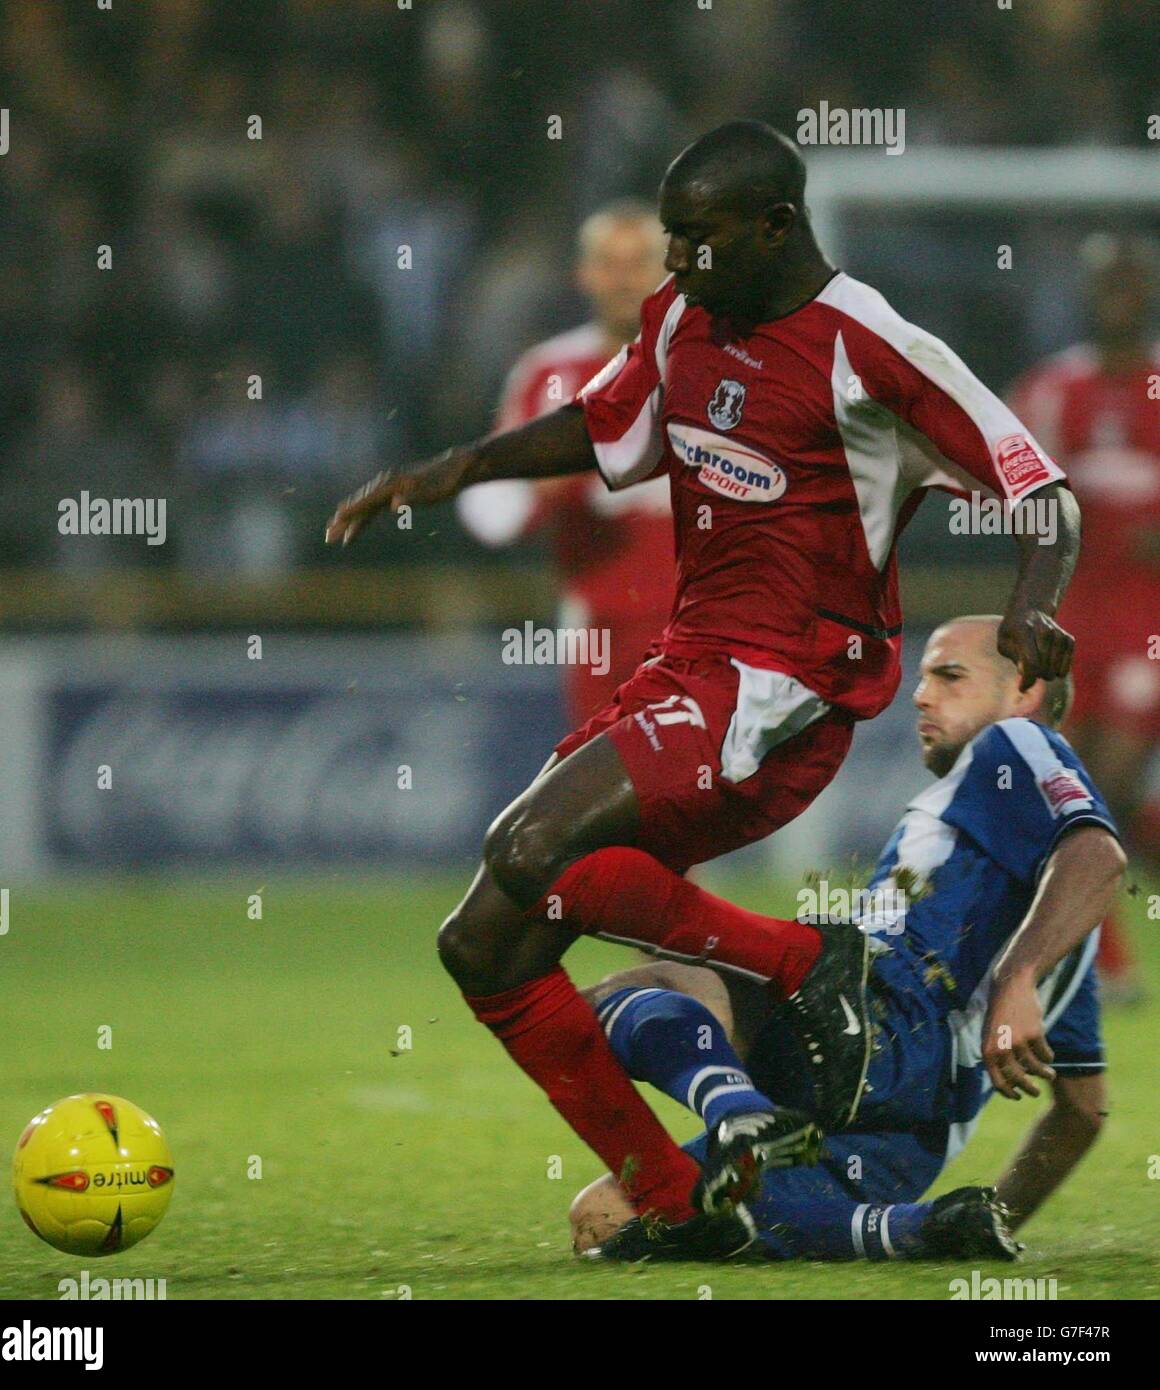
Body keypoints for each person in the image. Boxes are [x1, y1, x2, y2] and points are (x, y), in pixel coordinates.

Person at [325, 121, 1080, 1248]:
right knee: (482, 943)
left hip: (785, 686)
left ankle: (806, 964)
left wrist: (1032, 603)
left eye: (695, 238)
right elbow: (604, 423)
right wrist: (465, 465)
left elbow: (1041, 493)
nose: (672, 261)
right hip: (684, 667)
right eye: (668, 237)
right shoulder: (683, 317)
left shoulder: (872, 346)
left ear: (774, 224)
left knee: (532, 850)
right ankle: (687, 1207)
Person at [570, 616, 1123, 1261]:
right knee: (606, 1218)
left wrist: (1017, 979)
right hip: (899, 1148)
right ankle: (915, 1231)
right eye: (922, 678)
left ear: (1025, 692)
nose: (921, 695)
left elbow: (1098, 852)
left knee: (643, 983)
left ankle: (737, 1111)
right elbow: (1081, 1113)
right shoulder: (1063, 934)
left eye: (949, 677)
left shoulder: (1018, 743)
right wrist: (999, 1213)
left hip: (871, 1029)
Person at [1010, 233, 1160, 1002]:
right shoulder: (1050, 388)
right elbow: (1010, 484)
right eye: (1108, 284)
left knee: (1113, 782)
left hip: (1147, 618)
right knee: (1066, 786)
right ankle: (1101, 961)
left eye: (1133, 283)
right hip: (1073, 614)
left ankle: (1100, 958)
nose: (1120, 298)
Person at [457, 201, 674, 729]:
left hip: (707, 618)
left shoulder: (719, 357)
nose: (623, 279)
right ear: (583, 274)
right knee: (603, 784)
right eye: (608, 263)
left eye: (639, 261)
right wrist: (545, 490)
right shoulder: (547, 372)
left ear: (669, 270)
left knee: (713, 788)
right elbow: (488, 503)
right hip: (599, 619)